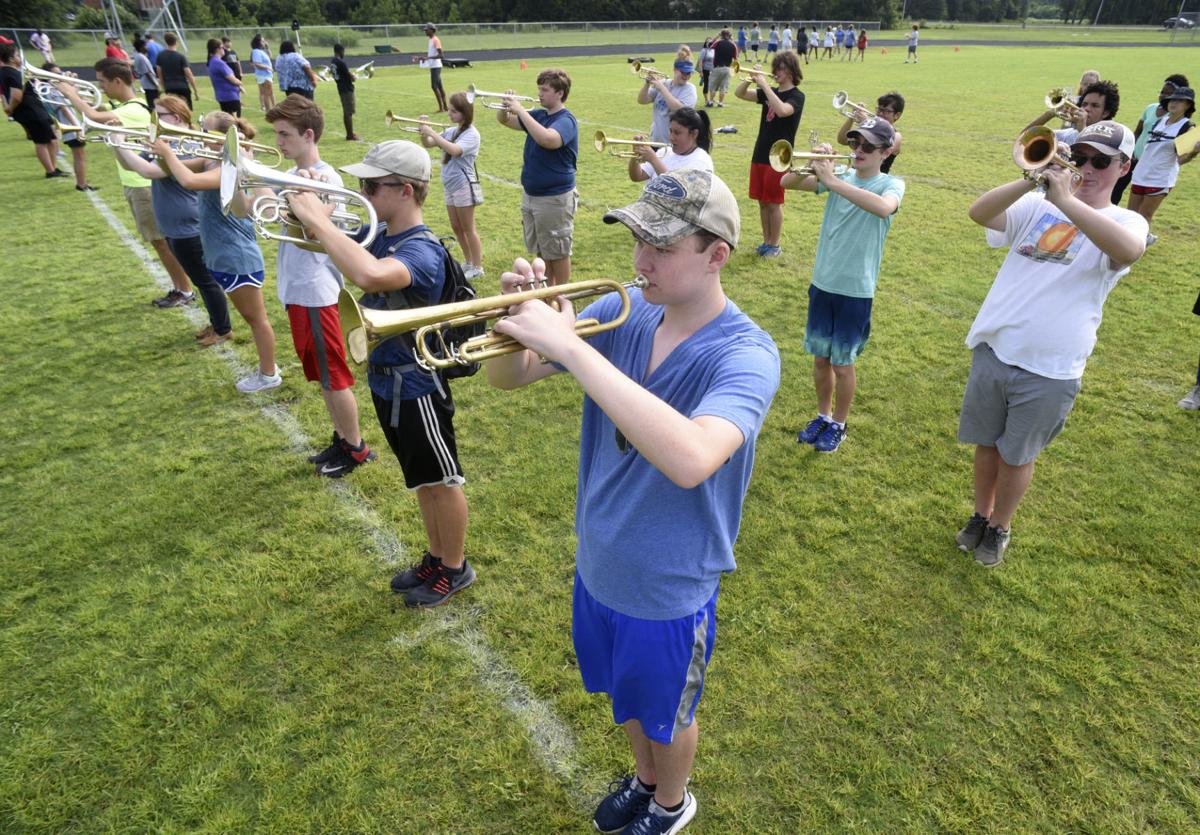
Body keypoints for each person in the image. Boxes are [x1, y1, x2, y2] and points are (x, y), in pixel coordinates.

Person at [486, 168, 780, 835]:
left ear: (716, 257)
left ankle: (671, 805)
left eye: (663, 247)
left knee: (666, 712)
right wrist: (513, 330)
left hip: (669, 583)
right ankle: (645, 780)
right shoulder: (624, 308)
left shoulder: (748, 355)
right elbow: (511, 378)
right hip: (601, 561)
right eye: (638, 239)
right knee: (628, 697)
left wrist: (569, 346)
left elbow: (691, 457)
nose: (640, 260)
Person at [284, 139, 475, 608]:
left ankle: (455, 567)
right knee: (420, 479)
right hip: (389, 379)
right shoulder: (383, 232)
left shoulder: (422, 249)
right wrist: (304, 213)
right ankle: (436, 556)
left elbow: (369, 276)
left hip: (418, 383)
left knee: (441, 479)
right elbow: (337, 252)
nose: (362, 192)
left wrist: (319, 219)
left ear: (405, 190)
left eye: (371, 185)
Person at [956, 121, 1148, 567]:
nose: (1086, 167)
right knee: (987, 444)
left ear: (1125, 167)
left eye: (1101, 161)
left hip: (1051, 365)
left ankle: (1001, 525)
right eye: (1080, 157)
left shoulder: (1126, 219)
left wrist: (1065, 199)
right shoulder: (1034, 204)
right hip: (995, 347)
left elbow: (1127, 252)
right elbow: (979, 213)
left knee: (1016, 454)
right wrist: (1032, 177)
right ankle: (980, 515)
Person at [235, 94, 376, 475]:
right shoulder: (293, 177)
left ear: (308, 134)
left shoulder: (325, 178)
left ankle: (356, 448)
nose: (278, 142)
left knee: (334, 376)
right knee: (321, 375)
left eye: (284, 134)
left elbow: (310, 229)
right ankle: (343, 440)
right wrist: (255, 177)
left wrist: (291, 194)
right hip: (299, 290)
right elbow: (245, 209)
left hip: (317, 292)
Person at [783, 118, 904, 454]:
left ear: (885, 151)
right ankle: (822, 416)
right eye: (854, 144)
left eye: (867, 146)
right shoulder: (841, 176)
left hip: (855, 289)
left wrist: (832, 180)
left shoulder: (891, 184)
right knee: (821, 359)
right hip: (823, 282)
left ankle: (839, 423)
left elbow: (882, 208)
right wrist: (812, 165)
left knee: (842, 363)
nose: (858, 151)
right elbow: (784, 181)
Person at [153, 111, 281, 392]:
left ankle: (268, 373)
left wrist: (166, 152)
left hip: (236, 255)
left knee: (256, 320)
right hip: (222, 252)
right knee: (253, 318)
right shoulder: (212, 159)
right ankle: (268, 369)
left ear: (223, 137)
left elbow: (188, 180)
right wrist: (162, 148)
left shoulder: (231, 166)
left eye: (204, 128)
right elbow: (172, 170)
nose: (198, 131)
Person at [57, 57, 197, 308]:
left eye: (102, 82)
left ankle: (184, 289)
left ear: (118, 81)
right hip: (137, 179)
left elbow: (91, 115)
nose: (100, 87)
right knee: (160, 241)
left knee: (161, 242)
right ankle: (182, 286)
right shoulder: (127, 107)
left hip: (142, 181)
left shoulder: (131, 109)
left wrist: (70, 94)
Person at [112, 94, 233, 347]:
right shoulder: (168, 143)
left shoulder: (186, 145)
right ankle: (217, 324)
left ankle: (223, 330)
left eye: (160, 116)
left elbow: (149, 171)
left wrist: (124, 143)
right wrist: (116, 143)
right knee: (201, 280)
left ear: (175, 118)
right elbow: (135, 166)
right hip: (174, 224)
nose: (155, 120)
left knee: (205, 281)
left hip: (188, 225)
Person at [496, 68, 578, 286]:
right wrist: (505, 108)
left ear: (560, 93)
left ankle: (561, 295)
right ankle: (546, 293)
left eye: (545, 89)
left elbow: (549, 139)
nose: (540, 93)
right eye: (539, 89)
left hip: (554, 198)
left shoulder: (566, 120)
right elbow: (506, 121)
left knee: (558, 251)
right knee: (542, 250)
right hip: (532, 195)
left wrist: (521, 110)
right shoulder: (539, 115)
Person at [735, 50, 804, 257]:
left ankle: (775, 244)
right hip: (761, 151)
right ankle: (766, 241)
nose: (776, 72)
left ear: (791, 71)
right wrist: (749, 79)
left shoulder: (797, 96)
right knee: (762, 201)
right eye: (775, 69)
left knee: (774, 202)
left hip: (780, 155)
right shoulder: (769, 91)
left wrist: (764, 84)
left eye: (781, 69)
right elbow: (740, 94)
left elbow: (783, 110)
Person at [420, 91, 484, 278]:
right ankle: (468, 262)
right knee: (456, 226)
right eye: (450, 110)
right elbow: (429, 143)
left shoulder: (472, 134)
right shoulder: (451, 131)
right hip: (450, 184)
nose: (450, 114)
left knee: (468, 228)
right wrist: (423, 130)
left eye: (454, 111)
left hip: (464, 184)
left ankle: (478, 267)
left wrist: (432, 132)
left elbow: (454, 150)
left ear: (466, 112)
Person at [1127, 86, 1198, 237]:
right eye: (1172, 99)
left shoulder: (1188, 127)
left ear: (1188, 105)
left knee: (1145, 215)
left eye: (1179, 101)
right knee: (1131, 215)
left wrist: (1194, 151)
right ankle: (1134, 241)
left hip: (1160, 178)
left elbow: (1181, 159)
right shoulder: (1161, 120)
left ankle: (1139, 243)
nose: (1174, 103)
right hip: (1141, 173)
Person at [1114, 75, 1187, 205]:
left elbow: (1180, 154)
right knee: (1115, 190)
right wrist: (1129, 153)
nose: (1163, 96)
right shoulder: (1151, 108)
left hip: (1149, 167)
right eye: (1162, 92)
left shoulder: (1173, 120)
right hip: (1133, 159)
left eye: (1169, 94)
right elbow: (1137, 132)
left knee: (1141, 206)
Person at [0, 42, 65, 179]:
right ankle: (50, 171)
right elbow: (17, 96)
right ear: (11, 59)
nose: (19, 58)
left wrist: (8, 107)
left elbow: (5, 94)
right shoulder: (11, 73)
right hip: (30, 111)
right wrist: (9, 108)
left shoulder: (9, 72)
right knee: (42, 142)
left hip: (33, 109)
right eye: (17, 55)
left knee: (51, 139)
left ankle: (53, 169)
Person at [40, 61, 98, 191]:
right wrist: (77, 126)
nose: (60, 75)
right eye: (57, 74)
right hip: (71, 127)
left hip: (70, 127)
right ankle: (81, 184)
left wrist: (73, 83)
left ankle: (82, 183)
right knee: (80, 155)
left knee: (79, 155)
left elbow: (74, 96)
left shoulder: (53, 89)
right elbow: (64, 108)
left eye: (60, 72)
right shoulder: (51, 91)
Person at [628, 106, 713, 184]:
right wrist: (636, 154)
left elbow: (680, 190)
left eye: (677, 133)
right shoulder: (664, 152)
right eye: (671, 131)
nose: (671, 137)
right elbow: (637, 176)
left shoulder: (701, 161)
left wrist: (653, 159)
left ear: (694, 134)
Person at [1026, 79, 1120, 146]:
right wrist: (1051, 113)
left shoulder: (1111, 137)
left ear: (1106, 113)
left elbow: (1091, 155)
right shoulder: (1067, 134)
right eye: (1084, 104)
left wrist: (1082, 129)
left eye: (1094, 105)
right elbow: (1025, 137)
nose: (1086, 109)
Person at [637, 45, 697, 144]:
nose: (687, 76)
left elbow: (679, 110)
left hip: (674, 144)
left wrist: (662, 88)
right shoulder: (664, 83)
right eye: (683, 72)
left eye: (689, 73)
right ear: (675, 69)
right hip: (655, 140)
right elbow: (642, 100)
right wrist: (647, 83)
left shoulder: (690, 90)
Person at [837, 91, 904, 174]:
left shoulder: (897, 136)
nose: (880, 114)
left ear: (897, 115)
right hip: (856, 175)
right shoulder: (868, 129)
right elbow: (842, 140)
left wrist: (867, 122)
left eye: (886, 111)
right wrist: (852, 117)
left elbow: (882, 144)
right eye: (879, 109)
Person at [155, 32, 200, 109]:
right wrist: (195, 90)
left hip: (169, 87)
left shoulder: (160, 56)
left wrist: (164, 87)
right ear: (176, 42)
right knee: (186, 110)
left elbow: (159, 74)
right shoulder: (181, 57)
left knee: (174, 110)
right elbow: (189, 74)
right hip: (182, 86)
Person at [328, 44, 358, 140]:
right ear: (341, 51)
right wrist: (353, 77)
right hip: (346, 88)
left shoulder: (333, 62)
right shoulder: (341, 62)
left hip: (340, 87)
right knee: (348, 112)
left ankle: (350, 133)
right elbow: (350, 76)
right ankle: (350, 135)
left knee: (347, 111)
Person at [206, 38, 242, 116]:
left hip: (222, 95)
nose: (224, 50)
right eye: (222, 47)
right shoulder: (219, 62)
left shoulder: (212, 61)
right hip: (229, 95)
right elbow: (233, 80)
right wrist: (240, 83)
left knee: (228, 120)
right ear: (217, 49)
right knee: (236, 122)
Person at [417, 23, 448, 113]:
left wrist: (428, 58)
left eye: (427, 30)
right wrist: (422, 58)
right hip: (434, 66)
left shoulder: (435, 40)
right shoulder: (431, 40)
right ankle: (445, 107)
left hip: (436, 66)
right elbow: (432, 54)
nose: (425, 31)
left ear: (432, 30)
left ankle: (441, 108)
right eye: (425, 30)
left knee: (434, 87)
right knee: (440, 87)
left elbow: (441, 55)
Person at [707, 28, 738, 108]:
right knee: (723, 87)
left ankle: (710, 102)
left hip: (717, 67)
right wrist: (733, 70)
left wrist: (717, 36)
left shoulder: (718, 43)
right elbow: (736, 59)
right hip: (727, 69)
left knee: (713, 86)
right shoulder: (733, 45)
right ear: (729, 35)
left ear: (722, 35)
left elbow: (709, 45)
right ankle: (720, 103)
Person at [249, 34, 275, 112]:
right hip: (264, 75)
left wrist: (267, 47)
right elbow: (257, 63)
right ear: (258, 42)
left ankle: (273, 108)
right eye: (263, 41)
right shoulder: (256, 51)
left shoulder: (261, 51)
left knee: (269, 93)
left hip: (266, 75)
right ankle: (269, 110)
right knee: (267, 94)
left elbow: (270, 56)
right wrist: (268, 68)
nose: (264, 42)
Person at [131, 38, 159, 108]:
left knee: (154, 104)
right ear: (141, 48)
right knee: (154, 105)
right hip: (150, 86)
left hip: (148, 85)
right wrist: (156, 84)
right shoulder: (141, 57)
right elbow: (148, 73)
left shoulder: (140, 56)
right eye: (145, 45)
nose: (147, 47)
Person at [698, 39, 714, 105]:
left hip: (713, 70)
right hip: (705, 70)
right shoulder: (704, 50)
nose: (709, 43)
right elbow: (700, 61)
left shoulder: (713, 50)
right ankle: (706, 100)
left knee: (712, 85)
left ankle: (711, 100)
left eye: (710, 42)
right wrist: (701, 71)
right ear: (706, 43)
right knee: (706, 85)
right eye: (708, 42)